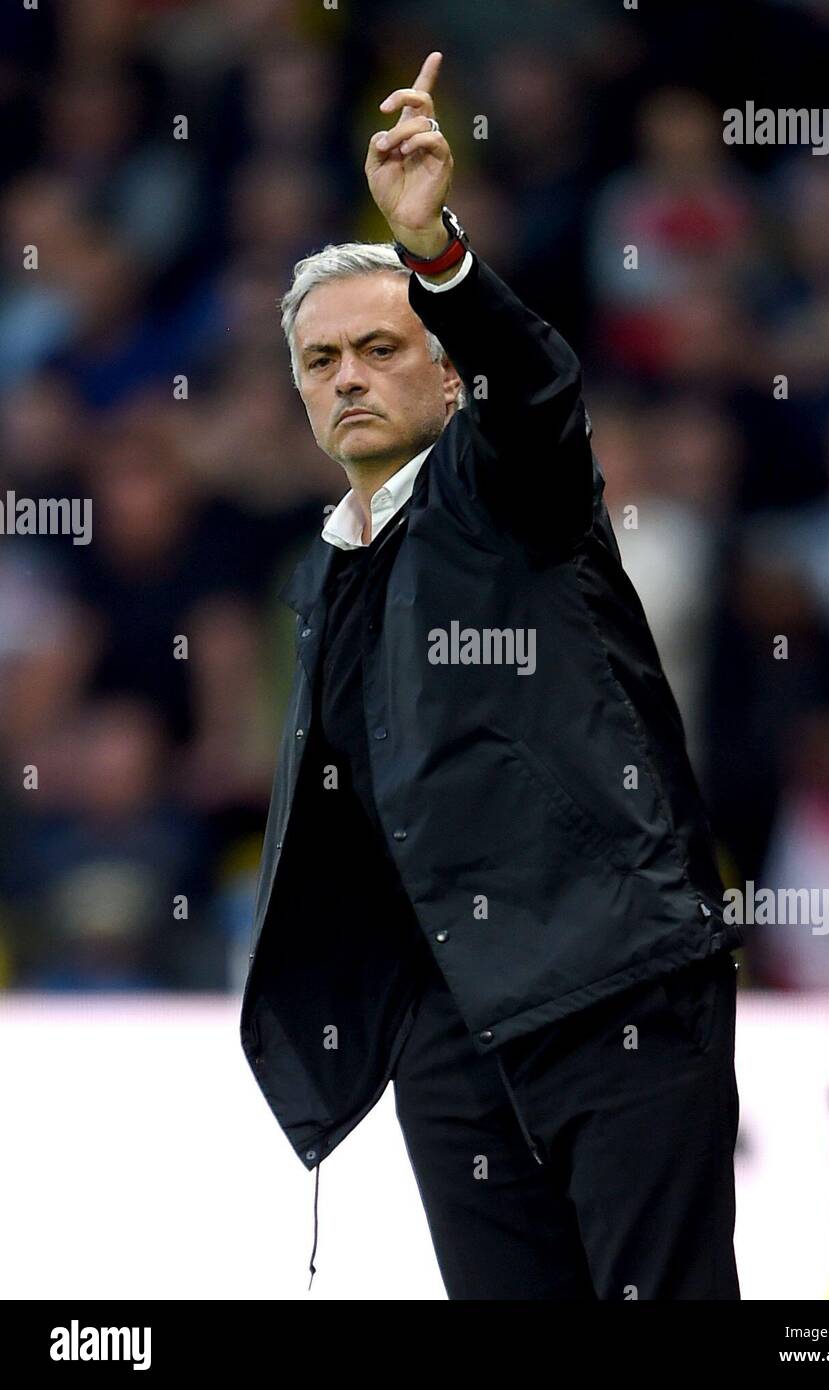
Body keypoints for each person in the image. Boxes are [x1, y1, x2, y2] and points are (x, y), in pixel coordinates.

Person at [239, 51, 743, 1300]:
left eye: (377, 346)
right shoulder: (325, 570)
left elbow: (538, 387)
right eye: (319, 362)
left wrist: (436, 255)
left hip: (608, 983)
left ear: (445, 369)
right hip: (452, 1029)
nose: (347, 375)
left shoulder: (499, 486)